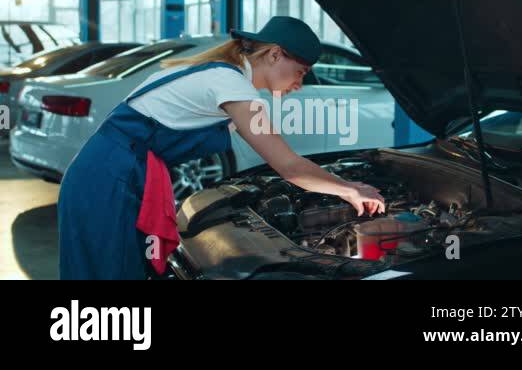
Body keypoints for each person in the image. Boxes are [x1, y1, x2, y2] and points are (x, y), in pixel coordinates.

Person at [58, 16, 385, 280]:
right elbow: (288, 164)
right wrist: (349, 190)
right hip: (107, 180)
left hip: (114, 174)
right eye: (300, 72)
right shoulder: (230, 84)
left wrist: (344, 183)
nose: (299, 84)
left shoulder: (221, 76)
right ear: (274, 54)